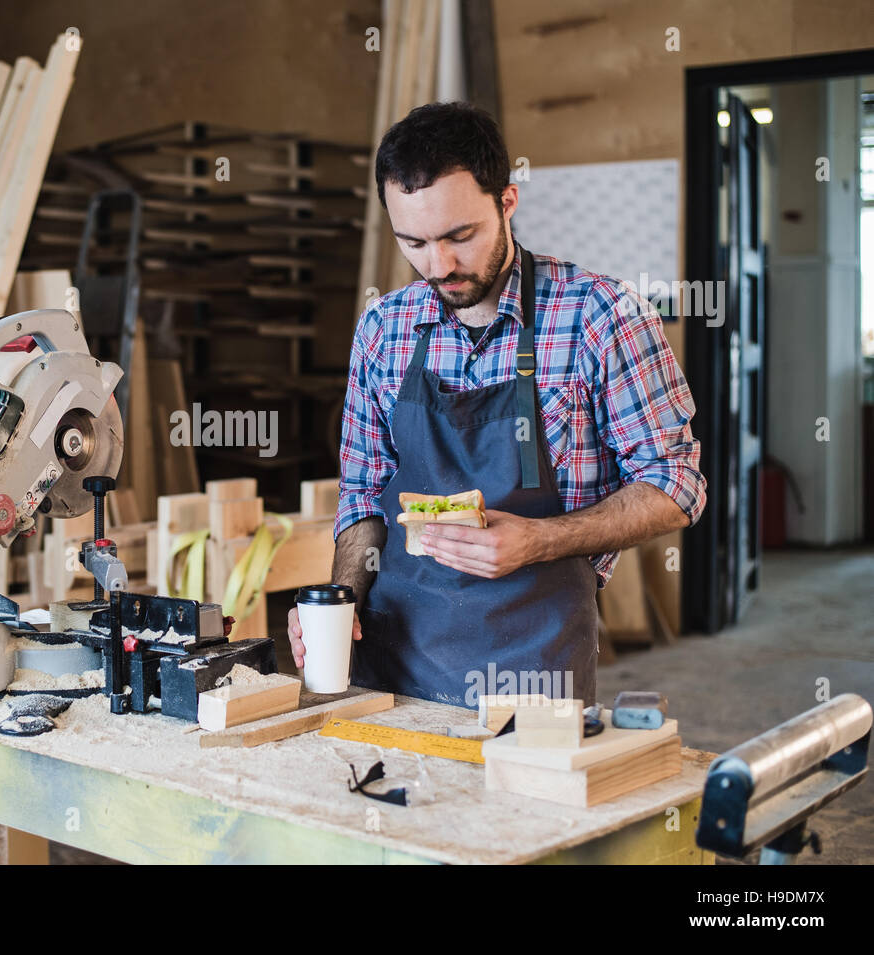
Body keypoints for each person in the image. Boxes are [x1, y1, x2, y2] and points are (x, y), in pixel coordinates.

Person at [287, 102, 707, 708]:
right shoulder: (384, 328)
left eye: (460, 236)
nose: (440, 265)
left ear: (506, 203)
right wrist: (340, 600)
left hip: (534, 664)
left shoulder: (601, 315)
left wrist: (538, 540)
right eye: (415, 242)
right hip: (395, 658)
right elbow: (361, 496)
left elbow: (676, 485)